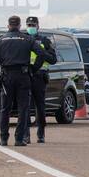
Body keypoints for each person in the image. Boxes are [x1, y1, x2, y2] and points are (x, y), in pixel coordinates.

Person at [0, 15, 39, 146]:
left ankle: (3, 138)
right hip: (23, 76)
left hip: (7, 77)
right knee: (23, 109)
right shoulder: (27, 39)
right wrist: (33, 69)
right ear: (20, 26)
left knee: (5, 109)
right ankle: (19, 139)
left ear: (8, 26)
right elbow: (42, 54)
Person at [25, 16, 57, 144]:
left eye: (33, 25)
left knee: (40, 107)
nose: (31, 27)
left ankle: (41, 134)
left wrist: (42, 53)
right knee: (25, 106)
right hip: (26, 76)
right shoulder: (23, 39)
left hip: (39, 76)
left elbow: (53, 60)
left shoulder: (45, 41)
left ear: (38, 26)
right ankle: (26, 134)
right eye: (29, 25)